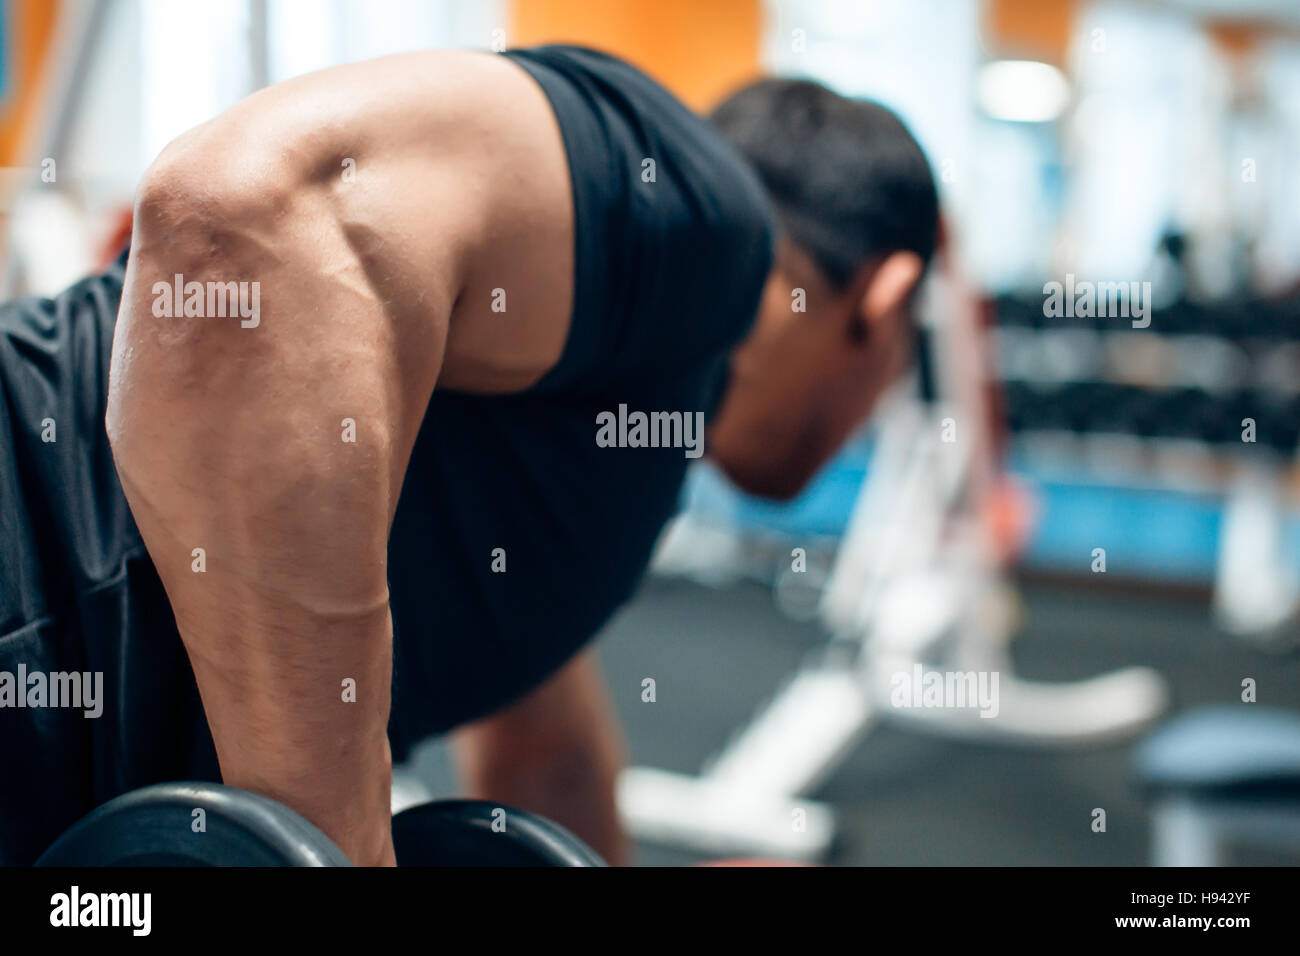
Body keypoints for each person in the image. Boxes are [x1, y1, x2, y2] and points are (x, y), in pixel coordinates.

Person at [0, 44, 938, 865]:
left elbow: (545, 761)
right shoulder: (704, 212)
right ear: (886, 301)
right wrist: (341, 848)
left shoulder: (621, 416)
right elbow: (242, 217)